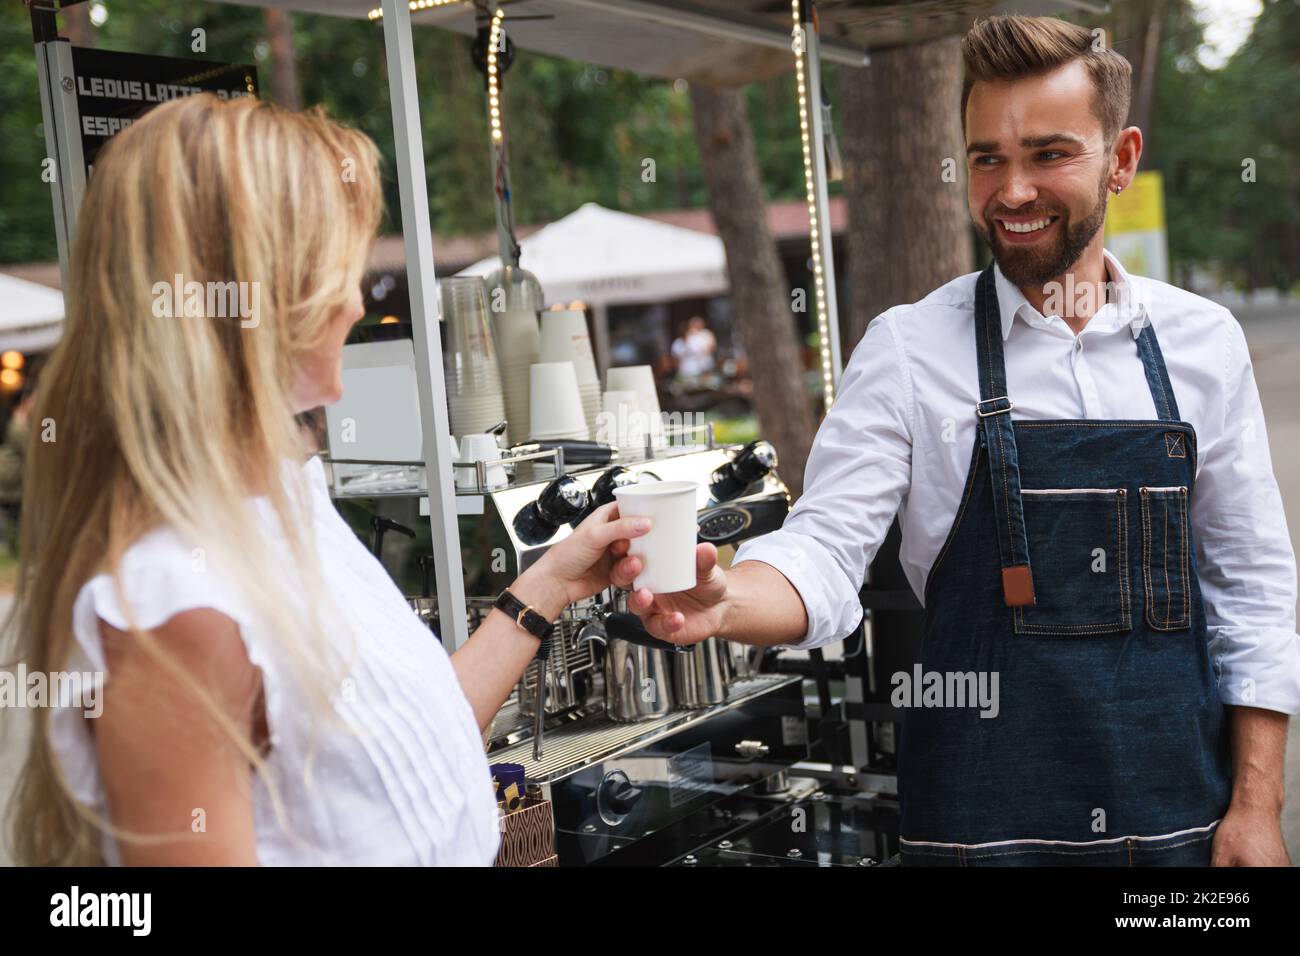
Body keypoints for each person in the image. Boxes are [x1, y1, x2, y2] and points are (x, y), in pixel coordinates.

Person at [630, 15, 1298, 866]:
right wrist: (726, 601)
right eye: (988, 158)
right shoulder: (910, 350)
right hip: (978, 841)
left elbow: (1251, 590)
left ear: (1121, 159)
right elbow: (826, 550)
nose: (1012, 191)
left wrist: (1258, 806)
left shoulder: (1204, 342)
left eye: (1048, 154)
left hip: (1182, 837)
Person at [5, 94, 652, 866]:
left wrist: (549, 583)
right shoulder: (175, 605)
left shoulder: (286, 498)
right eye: (338, 268)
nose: (355, 301)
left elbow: (419, 749)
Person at [670, 315, 717, 381]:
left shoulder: (705, 334)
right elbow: (676, 359)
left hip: (703, 366)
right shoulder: (679, 342)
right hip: (687, 370)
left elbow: (711, 348)